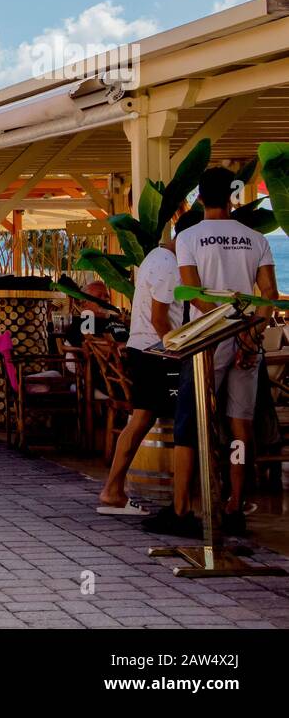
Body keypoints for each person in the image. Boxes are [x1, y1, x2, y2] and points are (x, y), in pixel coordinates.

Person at [144, 167, 278, 538]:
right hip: (246, 341)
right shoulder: (256, 238)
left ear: (200, 198)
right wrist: (250, 334)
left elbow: (195, 294)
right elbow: (269, 294)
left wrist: (226, 327)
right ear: (233, 197)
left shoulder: (188, 237)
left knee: (189, 422)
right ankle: (234, 505)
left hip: (208, 340)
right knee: (239, 425)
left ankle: (182, 507)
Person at [97, 238, 184, 515]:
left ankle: (113, 489)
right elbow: (160, 319)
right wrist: (177, 349)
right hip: (153, 351)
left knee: (141, 419)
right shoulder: (169, 265)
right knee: (142, 420)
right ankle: (112, 489)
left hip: (144, 348)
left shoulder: (155, 257)